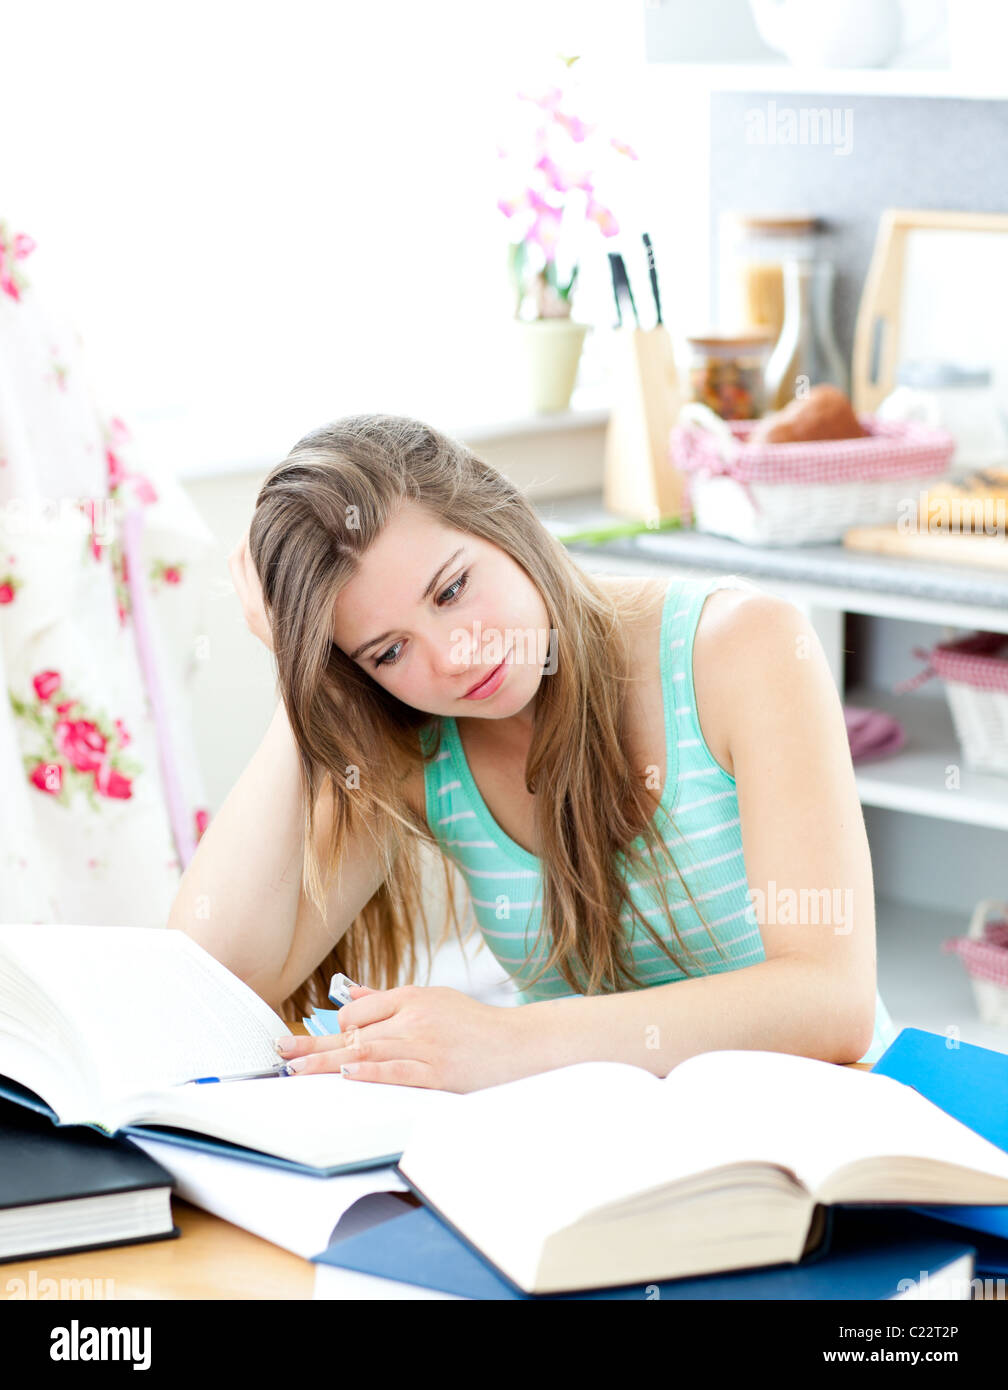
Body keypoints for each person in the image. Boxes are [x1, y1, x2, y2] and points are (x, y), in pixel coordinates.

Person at [168, 412, 898, 1092]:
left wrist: (506, 1041)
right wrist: (302, 687)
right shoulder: (414, 740)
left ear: (502, 518)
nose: (455, 658)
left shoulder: (743, 647)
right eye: (389, 650)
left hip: (815, 1124)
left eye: (452, 589)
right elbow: (204, 983)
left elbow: (831, 1001)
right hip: (603, 1150)